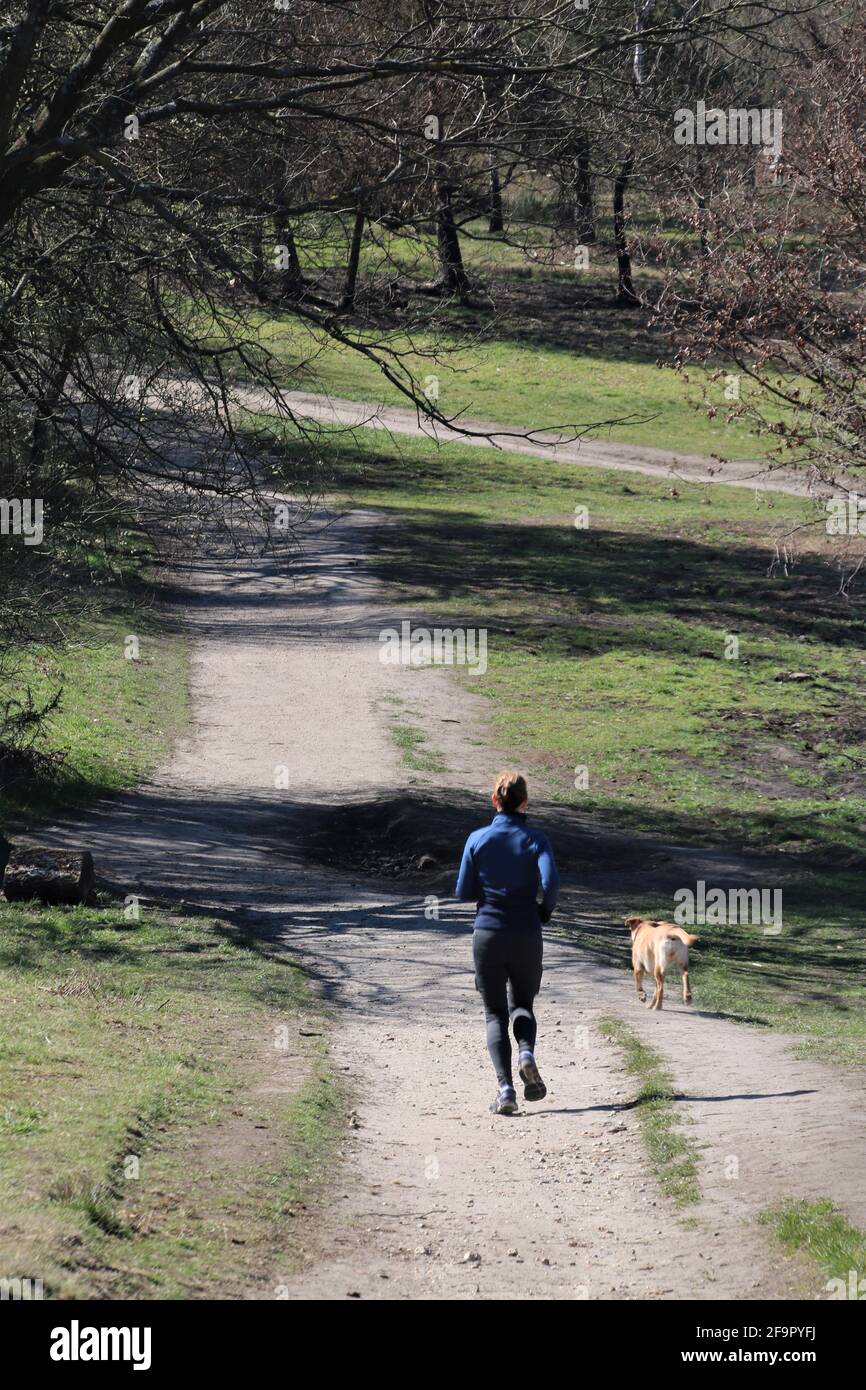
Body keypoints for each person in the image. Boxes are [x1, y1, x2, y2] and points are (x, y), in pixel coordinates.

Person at [455, 771, 560, 1115]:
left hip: (488, 934)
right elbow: (552, 883)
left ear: (494, 800)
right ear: (525, 801)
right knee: (523, 1005)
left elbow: (463, 891)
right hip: (527, 933)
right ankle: (526, 1053)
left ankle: (505, 1091)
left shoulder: (477, 839)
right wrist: (542, 911)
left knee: (494, 1014)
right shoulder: (537, 839)